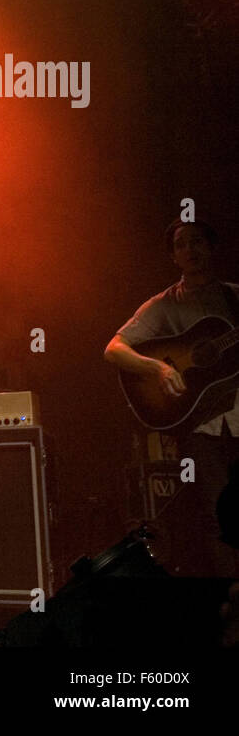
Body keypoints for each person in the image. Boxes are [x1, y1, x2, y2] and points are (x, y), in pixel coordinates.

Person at [104, 219, 239, 576]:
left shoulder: (233, 296)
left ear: (211, 247)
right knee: (218, 515)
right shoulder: (164, 305)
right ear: (173, 257)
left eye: (197, 242)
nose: (190, 250)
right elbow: (114, 349)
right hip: (202, 427)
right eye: (181, 245)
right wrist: (158, 370)